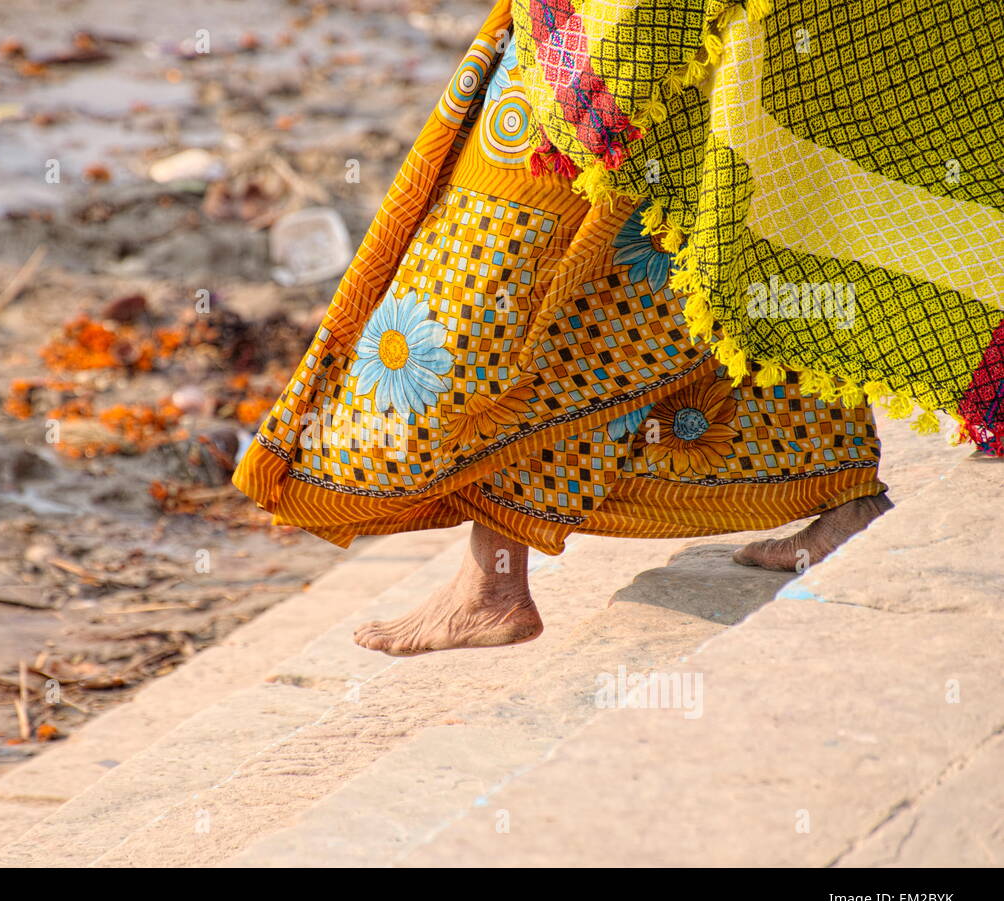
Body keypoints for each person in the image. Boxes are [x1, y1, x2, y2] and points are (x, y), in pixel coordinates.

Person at [232, 0, 892, 656]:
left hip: (622, 31)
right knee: (722, 237)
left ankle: (490, 584)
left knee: (513, 267)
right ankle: (842, 487)